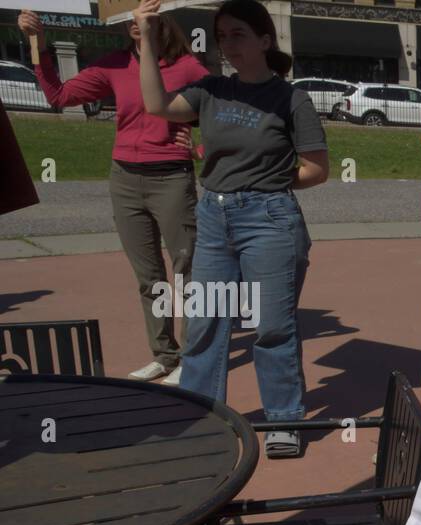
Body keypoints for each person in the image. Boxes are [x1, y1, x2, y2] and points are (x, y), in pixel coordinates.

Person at [136, 0, 328, 459]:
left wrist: (269, 181)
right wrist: (146, 37)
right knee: (205, 321)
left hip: (269, 220)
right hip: (215, 217)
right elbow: (156, 104)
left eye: (238, 34)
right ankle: (202, 414)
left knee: (272, 326)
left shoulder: (290, 98)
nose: (227, 44)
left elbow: (317, 169)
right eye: (222, 36)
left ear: (265, 40)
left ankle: (282, 419)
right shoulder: (210, 90)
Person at [20, 7, 208, 385]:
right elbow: (59, 96)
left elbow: (225, 112)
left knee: (187, 273)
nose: (134, 24)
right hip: (124, 178)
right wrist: (35, 41)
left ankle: (193, 358)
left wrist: (200, 147)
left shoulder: (187, 67)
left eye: (143, 16)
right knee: (148, 276)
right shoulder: (116, 64)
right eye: (128, 19)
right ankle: (164, 354)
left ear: (161, 21)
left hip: (170, 178)